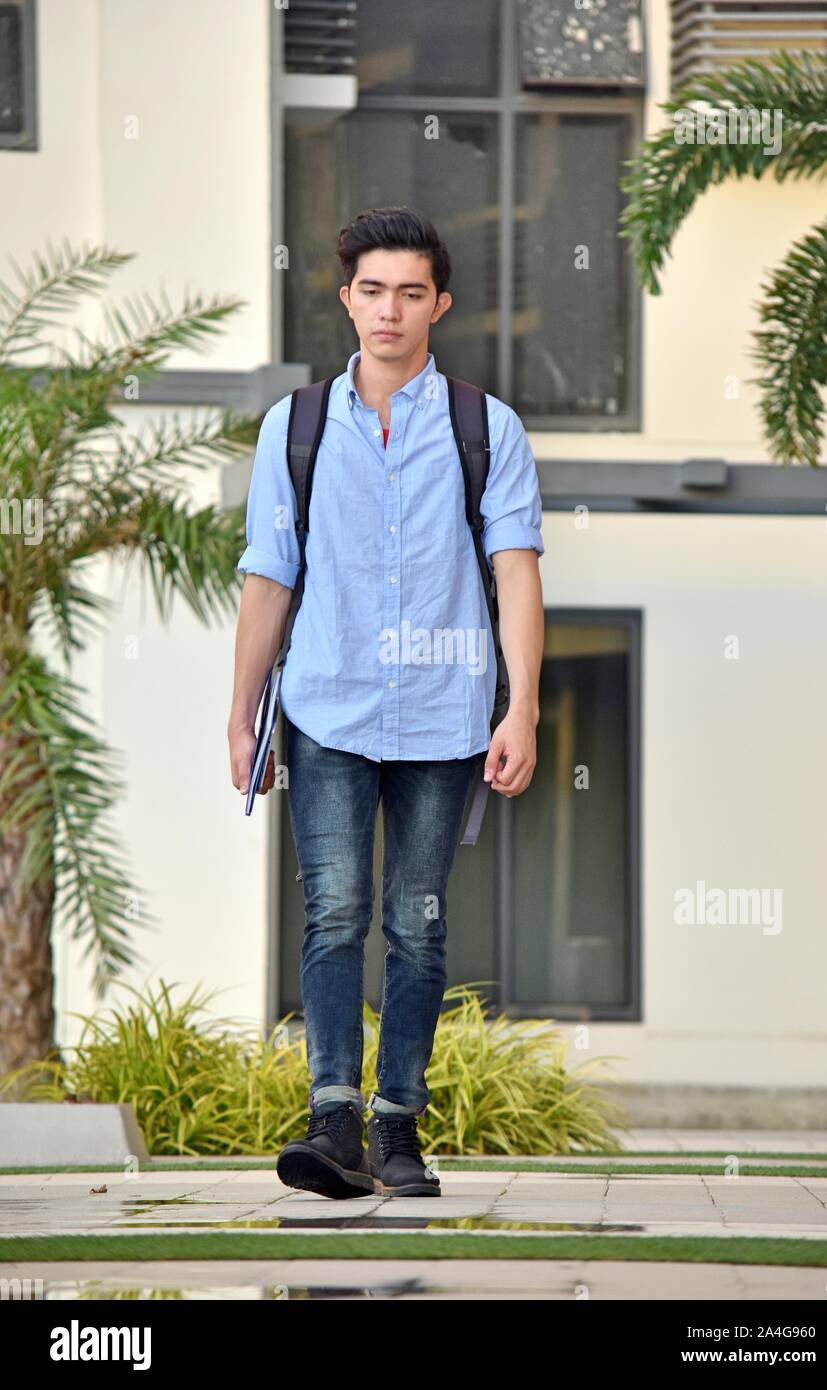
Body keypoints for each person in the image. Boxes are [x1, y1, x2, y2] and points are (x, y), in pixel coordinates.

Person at [228, 206, 544, 1200]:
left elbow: (514, 570)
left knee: (417, 918)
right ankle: (332, 1128)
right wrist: (242, 711)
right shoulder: (298, 423)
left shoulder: (483, 427)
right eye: (372, 290)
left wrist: (521, 705)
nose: (389, 310)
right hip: (324, 704)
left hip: (445, 714)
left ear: (437, 304)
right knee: (333, 910)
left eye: (410, 292)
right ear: (345, 298)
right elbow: (268, 574)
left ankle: (397, 1128)